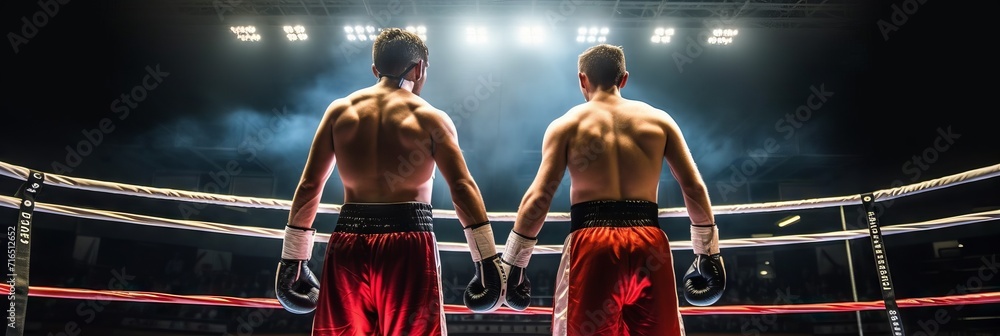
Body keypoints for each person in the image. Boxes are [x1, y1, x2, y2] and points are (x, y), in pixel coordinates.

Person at [273, 28, 506, 336]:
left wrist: (293, 257)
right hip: (408, 242)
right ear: (420, 67)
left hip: (348, 242)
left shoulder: (340, 111)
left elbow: (309, 186)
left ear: (375, 69)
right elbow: (461, 188)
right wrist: (487, 258)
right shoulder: (430, 118)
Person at [499, 44, 726, 335]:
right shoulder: (659, 120)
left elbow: (540, 197)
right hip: (649, 245)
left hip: (593, 245)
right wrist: (709, 253)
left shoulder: (567, 125)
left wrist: (514, 262)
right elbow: (693, 187)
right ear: (624, 78)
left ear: (583, 79)